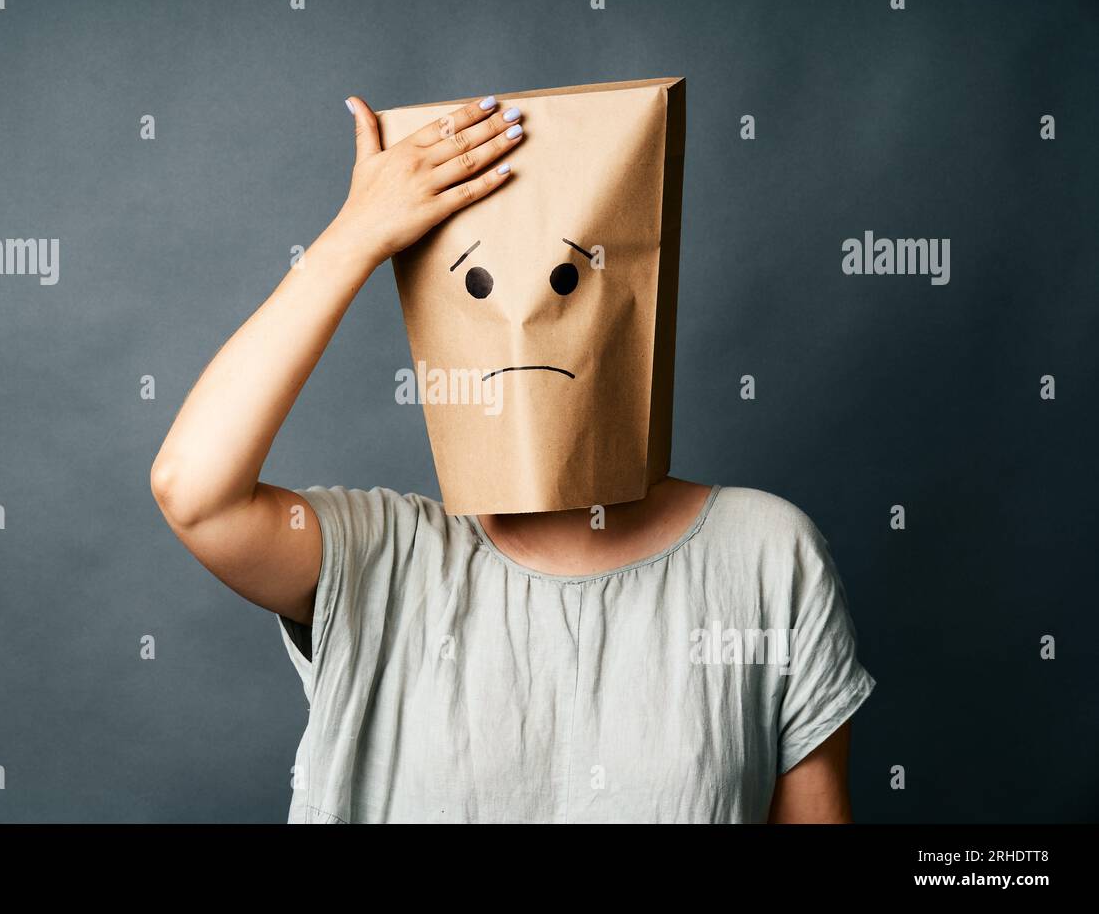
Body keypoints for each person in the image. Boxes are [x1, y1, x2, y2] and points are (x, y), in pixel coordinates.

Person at [150, 92, 876, 823]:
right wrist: (353, 238)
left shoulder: (764, 556)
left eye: (567, 282)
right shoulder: (383, 559)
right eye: (481, 290)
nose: (526, 321)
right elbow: (194, 490)